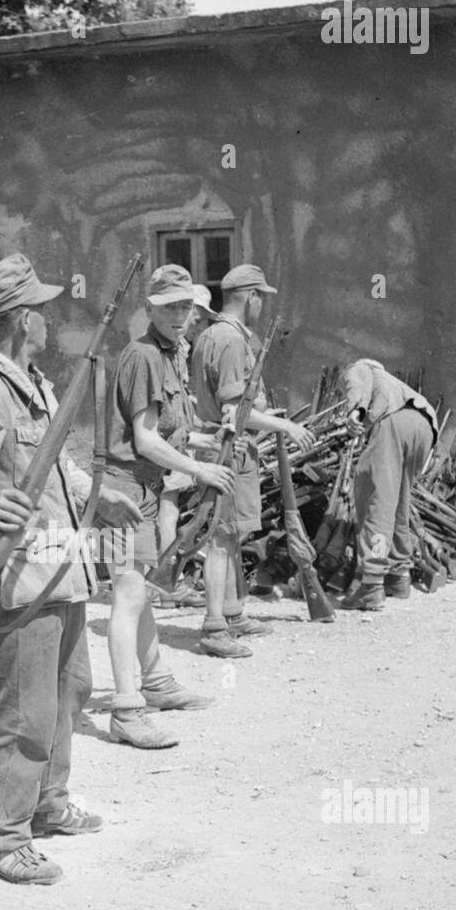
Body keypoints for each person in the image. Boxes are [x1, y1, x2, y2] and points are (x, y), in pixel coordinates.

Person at [0, 254, 142, 884]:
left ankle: (47, 804)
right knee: (22, 708)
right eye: (42, 311)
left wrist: (93, 490)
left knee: (68, 691)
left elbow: (48, 462)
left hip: (60, 568)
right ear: (23, 320)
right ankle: (5, 835)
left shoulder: (35, 384)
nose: (50, 320)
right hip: (20, 576)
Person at [102, 263, 235, 749]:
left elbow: (172, 432)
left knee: (137, 595)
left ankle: (155, 681)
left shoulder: (170, 354)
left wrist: (208, 439)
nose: (181, 316)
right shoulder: (143, 358)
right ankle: (125, 707)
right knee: (128, 595)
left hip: (145, 486)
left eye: (186, 307)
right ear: (150, 310)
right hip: (123, 491)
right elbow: (144, 438)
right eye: (170, 307)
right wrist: (199, 469)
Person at [190, 264, 315, 657]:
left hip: (224, 446)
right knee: (220, 539)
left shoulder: (213, 335)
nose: (262, 304)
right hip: (229, 448)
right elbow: (233, 410)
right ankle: (214, 626)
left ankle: (232, 612)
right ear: (250, 297)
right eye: (261, 296)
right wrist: (286, 427)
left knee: (228, 534)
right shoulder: (231, 341)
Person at [334, 356, 439, 610]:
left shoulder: (359, 369)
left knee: (376, 501)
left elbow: (356, 389)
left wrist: (353, 414)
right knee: (398, 501)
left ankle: (371, 584)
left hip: (393, 425)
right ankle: (399, 575)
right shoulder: (395, 385)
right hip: (425, 427)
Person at [152, 283, 213, 606]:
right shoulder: (164, 350)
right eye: (195, 317)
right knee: (167, 510)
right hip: (165, 442)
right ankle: (164, 582)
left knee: (169, 509)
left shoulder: (181, 349)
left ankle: (165, 580)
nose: (195, 323)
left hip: (179, 438)